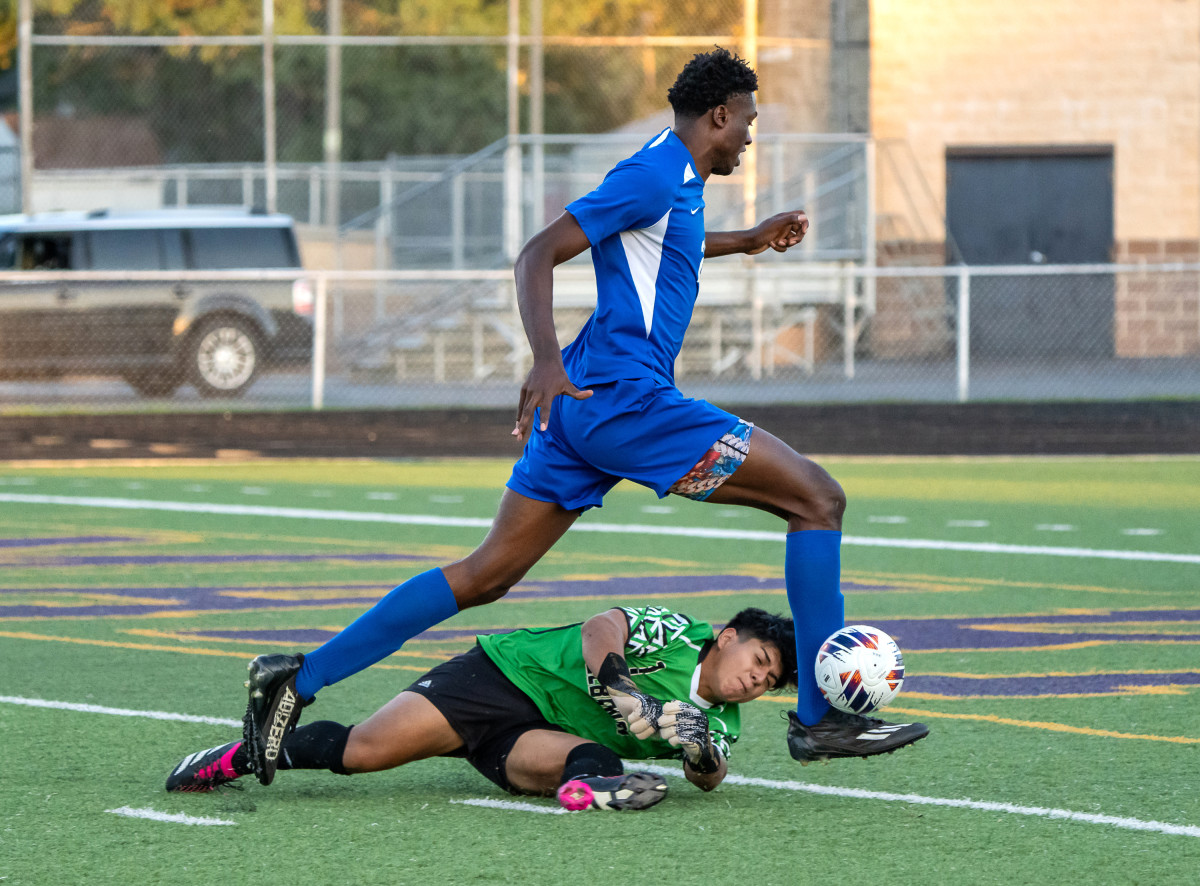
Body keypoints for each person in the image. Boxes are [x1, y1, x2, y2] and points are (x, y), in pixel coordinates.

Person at [239, 47, 928, 788]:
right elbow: (538, 254)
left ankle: (298, 678)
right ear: (719, 115)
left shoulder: (674, 175)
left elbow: (668, 246)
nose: (750, 137)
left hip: (584, 413)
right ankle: (823, 718)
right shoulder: (655, 173)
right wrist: (544, 358)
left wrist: (750, 240)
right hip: (625, 402)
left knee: (486, 574)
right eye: (748, 122)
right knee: (816, 498)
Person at [170, 606, 795, 811]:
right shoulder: (679, 633)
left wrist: (700, 749)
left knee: (593, 758)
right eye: (760, 660)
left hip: (535, 733)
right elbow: (604, 626)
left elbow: (708, 779)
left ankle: (589, 788)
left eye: (768, 682)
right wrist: (625, 690)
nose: (756, 681)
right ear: (728, 636)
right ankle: (235, 757)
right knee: (361, 753)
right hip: (501, 677)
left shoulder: (720, 723)